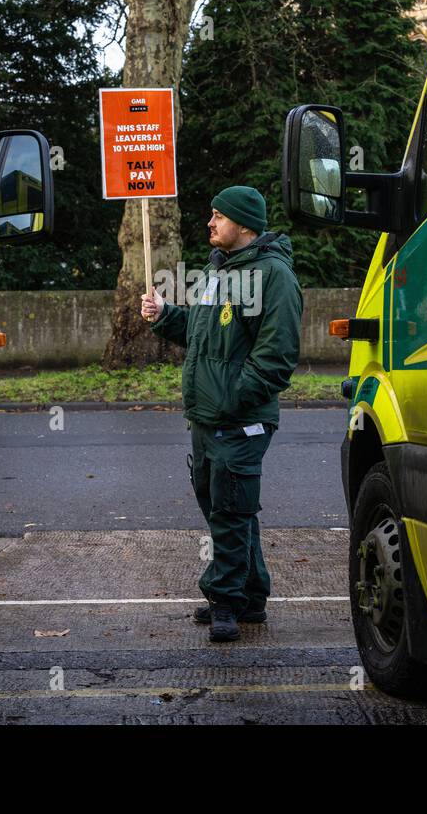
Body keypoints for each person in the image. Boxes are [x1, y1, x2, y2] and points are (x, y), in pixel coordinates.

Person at [141, 186, 302, 641]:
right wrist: (164, 314)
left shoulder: (274, 276)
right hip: (207, 417)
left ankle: (225, 601)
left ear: (244, 225)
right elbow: (200, 332)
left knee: (230, 510)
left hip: (237, 419)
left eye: (218, 216)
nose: (210, 223)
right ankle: (251, 597)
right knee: (226, 507)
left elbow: (277, 356)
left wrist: (233, 399)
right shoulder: (219, 270)